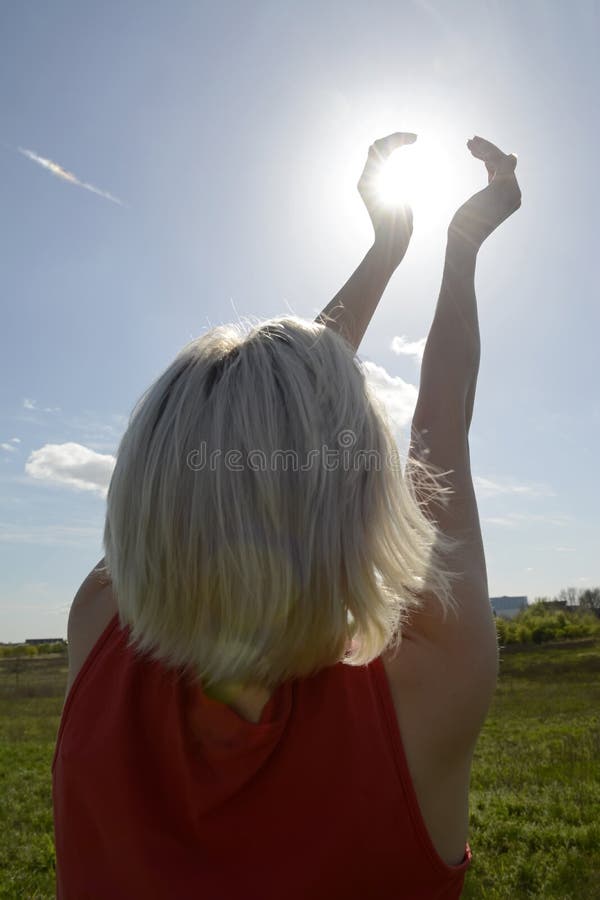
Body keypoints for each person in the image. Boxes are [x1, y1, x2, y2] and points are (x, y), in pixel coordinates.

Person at [52, 133, 521, 899]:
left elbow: (257, 431)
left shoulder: (96, 621)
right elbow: (439, 419)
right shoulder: (424, 688)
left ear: (147, 486)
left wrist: (383, 254)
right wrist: (458, 248)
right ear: (359, 504)